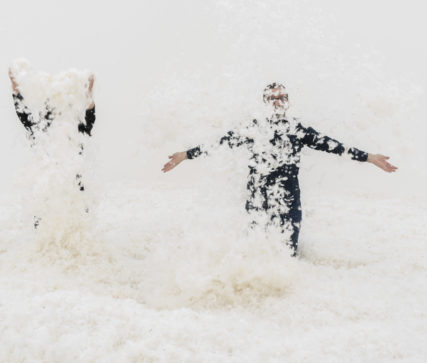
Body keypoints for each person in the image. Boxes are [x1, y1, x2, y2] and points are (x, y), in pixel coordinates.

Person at [161, 83, 397, 255]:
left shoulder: (297, 129)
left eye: (282, 97)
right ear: (265, 103)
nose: (278, 101)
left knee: (289, 250)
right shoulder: (254, 127)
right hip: (258, 193)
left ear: (287, 101)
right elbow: (221, 142)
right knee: (255, 247)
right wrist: (186, 155)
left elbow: (333, 146)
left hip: (289, 194)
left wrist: (369, 157)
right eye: (273, 98)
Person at [9, 68, 96, 227]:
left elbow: (90, 115)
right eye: (55, 110)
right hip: (47, 193)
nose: (60, 113)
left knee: (79, 229)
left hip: (74, 191)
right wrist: (14, 85)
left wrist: (88, 91)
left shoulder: (77, 131)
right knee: (44, 228)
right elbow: (23, 114)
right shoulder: (41, 133)